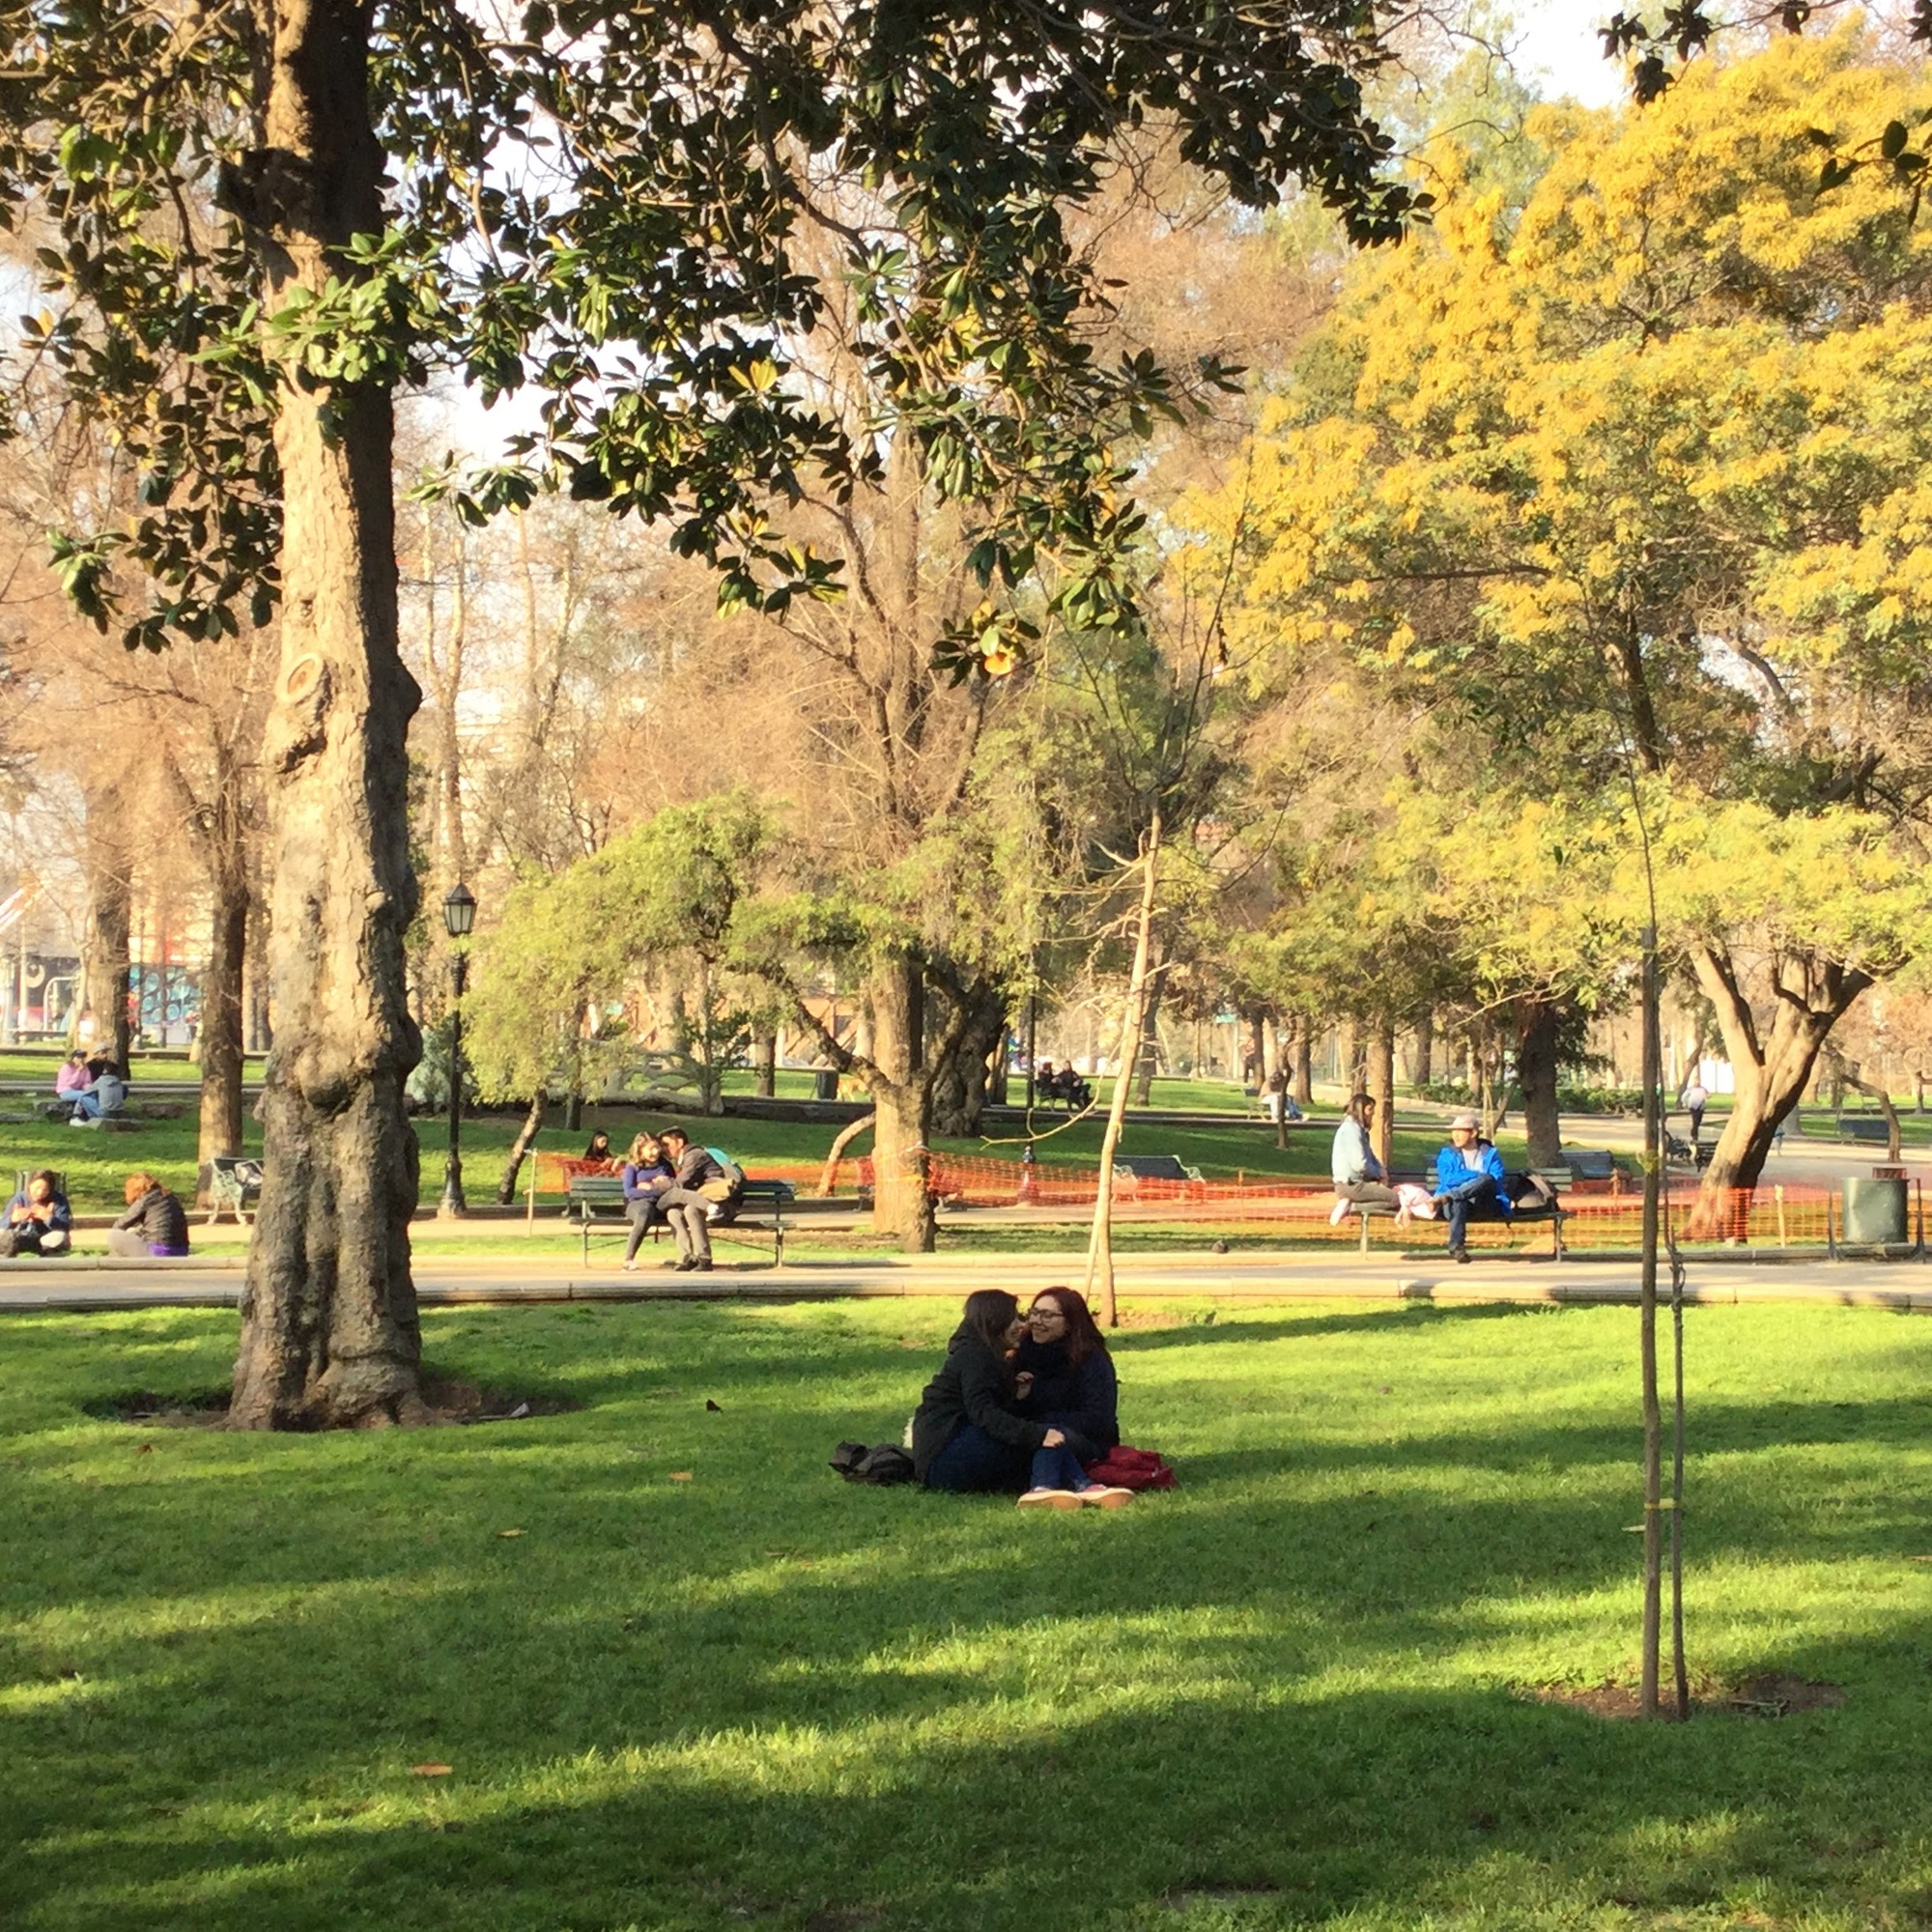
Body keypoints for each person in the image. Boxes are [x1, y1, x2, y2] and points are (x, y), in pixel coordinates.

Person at [912, 1290, 1062, 1499]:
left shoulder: (984, 1354)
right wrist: (1036, 1435)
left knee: (1046, 1439)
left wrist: (1016, 1397)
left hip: (943, 1458)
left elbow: (986, 1408)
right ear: (995, 1322)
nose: (1021, 1325)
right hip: (942, 1461)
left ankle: (1069, 1484)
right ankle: (1060, 1486)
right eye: (1014, 1319)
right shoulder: (976, 1356)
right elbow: (983, 1413)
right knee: (1043, 1439)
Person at [1013, 1287, 1131, 1507]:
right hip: (1035, 1434)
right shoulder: (1022, 1352)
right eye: (1034, 1312)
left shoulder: (1091, 1359)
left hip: (1088, 1439)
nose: (1037, 1321)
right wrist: (1021, 1398)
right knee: (1047, 1434)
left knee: (1052, 1434)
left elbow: (1099, 1419)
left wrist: (1045, 1425)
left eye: (1048, 1315)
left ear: (1070, 1322)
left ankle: (1042, 1488)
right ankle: (1085, 1487)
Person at [1431, 1112, 1510, 1264]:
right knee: (1459, 1199)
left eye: (1460, 1131)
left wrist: (1479, 1178)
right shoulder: (1447, 1154)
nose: (1455, 1135)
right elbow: (1448, 1178)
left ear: (1473, 1132)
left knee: (1487, 1179)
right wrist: (1477, 1175)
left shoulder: (1490, 1153)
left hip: (1483, 1205)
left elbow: (1496, 1178)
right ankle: (1457, 1249)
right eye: (1453, 1131)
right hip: (1454, 1207)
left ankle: (1450, 1196)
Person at [653, 1125, 727, 1273]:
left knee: (691, 1209)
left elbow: (679, 1184)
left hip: (722, 1204)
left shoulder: (694, 1156)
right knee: (673, 1213)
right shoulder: (684, 1159)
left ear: (679, 1143)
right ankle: (688, 1257)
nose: (664, 1149)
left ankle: (704, 1259)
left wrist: (660, 1182)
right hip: (702, 1199)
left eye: (667, 1144)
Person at [1329, 1093, 1397, 1225]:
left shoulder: (1358, 1131)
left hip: (1352, 1183)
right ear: (1360, 1109)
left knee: (1389, 1197)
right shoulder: (1351, 1130)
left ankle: (1351, 1204)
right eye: (1369, 1109)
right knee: (1394, 1199)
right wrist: (1377, 1174)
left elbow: (1370, 1156)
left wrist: (1380, 1170)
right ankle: (1352, 1207)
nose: (1372, 1114)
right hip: (1351, 1185)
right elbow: (1360, 1164)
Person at [619, 1130, 676, 1270]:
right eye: (651, 1149)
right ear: (640, 1149)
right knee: (644, 1213)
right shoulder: (632, 1166)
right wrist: (654, 1189)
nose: (655, 1152)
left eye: (657, 1147)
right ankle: (629, 1259)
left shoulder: (665, 1165)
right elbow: (630, 1192)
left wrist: (647, 1188)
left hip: (660, 1205)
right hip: (637, 1205)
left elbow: (672, 1187)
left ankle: (691, 1257)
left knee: (677, 1214)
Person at [107, 1172, 189, 1258]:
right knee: (135, 1232)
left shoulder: (146, 1199)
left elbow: (119, 1225)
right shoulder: (170, 1197)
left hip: (158, 1252)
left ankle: (113, 1267)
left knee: (113, 1235)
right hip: (181, 1252)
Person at [0, 1171, 73, 1257]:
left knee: (59, 1237)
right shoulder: (19, 1198)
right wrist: (13, 1219)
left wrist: (48, 1218)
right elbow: (2, 1224)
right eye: (37, 1188)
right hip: (22, 1237)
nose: (40, 1193)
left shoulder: (59, 1200)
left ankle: (48, 1256)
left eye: (45, 1190)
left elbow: (65, 1227)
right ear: (29, 1185)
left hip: (45, 1239)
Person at [71, 1057, 128, 1124]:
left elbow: (87, 1092)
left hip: (106, 1113)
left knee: (84, 1098)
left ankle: (89, 1118)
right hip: (119, 1112)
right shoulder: (118, 1081)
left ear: (105, 1070)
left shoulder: (102, 1080)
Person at [1682, 1077, 1709, 1144]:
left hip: (1700, 1107)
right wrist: (1685, 1103)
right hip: (1693, 1107)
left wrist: (1707, 1096)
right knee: (1695, 1120)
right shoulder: (1691, 1089)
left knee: (1699, 1121)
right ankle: (1694, 1134)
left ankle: (1694, 1132)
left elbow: (1707, 1095)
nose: (1697, 1082)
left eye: (1698, 1081)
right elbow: (1684, 1096)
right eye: (1696, 1081)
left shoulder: (1703, 1089)